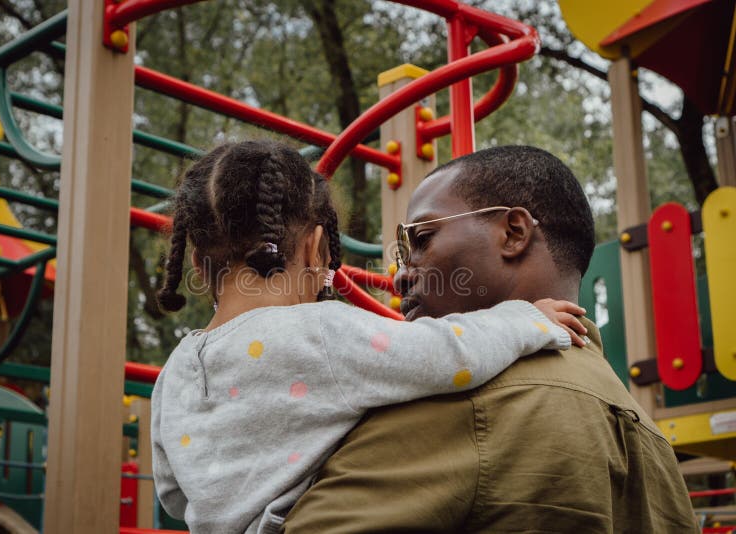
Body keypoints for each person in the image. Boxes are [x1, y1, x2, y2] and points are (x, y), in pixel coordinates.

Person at [151, 140, 587, 534]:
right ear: (316, 248)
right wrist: (523, 319)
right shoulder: (322, 331)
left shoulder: (173, 374)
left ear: (194, 260)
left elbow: (172, 493)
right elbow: (448, 355)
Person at [284, 145, 699, 533]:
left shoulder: (464, 399)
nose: (401, 275)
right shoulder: (649, 435)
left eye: (423, 240)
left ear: (514, 232)